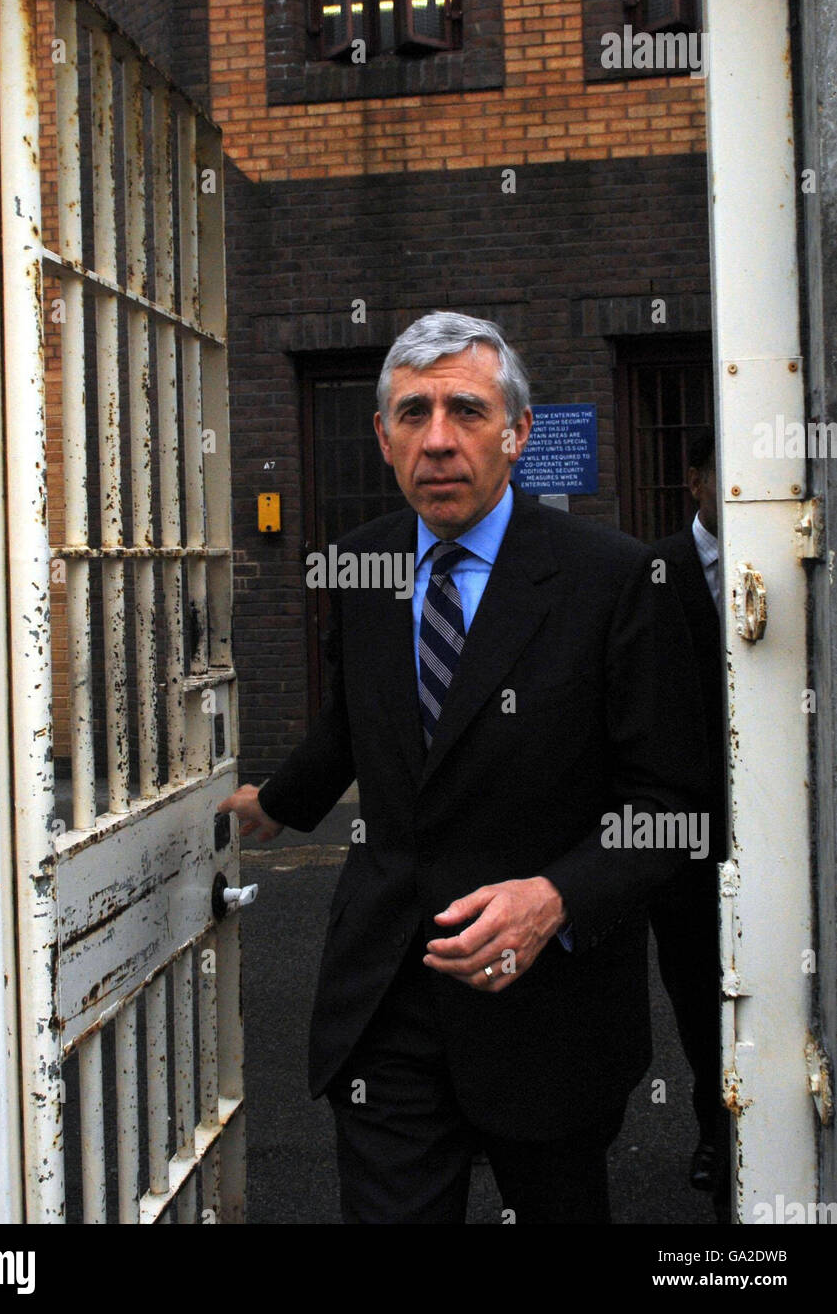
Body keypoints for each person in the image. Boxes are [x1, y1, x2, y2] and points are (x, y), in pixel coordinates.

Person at [218, 311, 708, 1224]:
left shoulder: (614, 581)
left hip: (548, 1011)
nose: (437, 440)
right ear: (381, 434)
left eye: (466, 411)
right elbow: (357, 725)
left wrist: (555, 898)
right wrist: (273, 804)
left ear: (517, 433)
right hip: (388, 1000)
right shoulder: (360, 565)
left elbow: (671, 806)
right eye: (412, 413)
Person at [650, 429, 730, 1208]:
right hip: (681, 848)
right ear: (694, 481)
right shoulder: (651, 574)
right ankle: (717, 1128)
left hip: (773, 833)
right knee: (699, 999)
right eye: (723, 470)